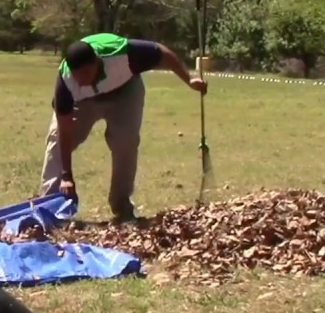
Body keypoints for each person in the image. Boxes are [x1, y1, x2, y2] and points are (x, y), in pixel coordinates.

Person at [39, 33, 207, 223]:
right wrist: (67, 176)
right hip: (83, 101)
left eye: (86, 74)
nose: (81, 80)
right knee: (56, 139)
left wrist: (189, 79)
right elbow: (65, 130)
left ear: (96, 62)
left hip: (125, 92)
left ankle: (122, 205)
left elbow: (161, 52)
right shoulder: (66, 81)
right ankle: (49, 205)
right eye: (77, 77)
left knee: (125, 141)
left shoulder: (123, 54)